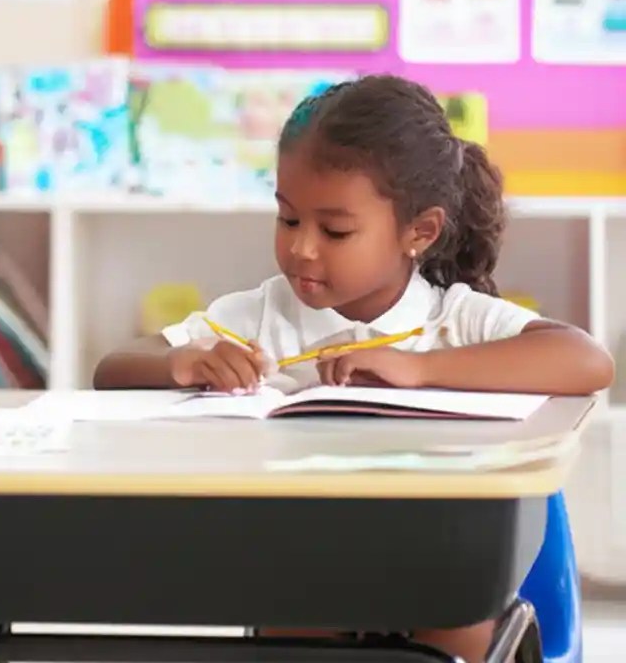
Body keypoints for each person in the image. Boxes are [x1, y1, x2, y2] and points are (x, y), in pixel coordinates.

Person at [93, 74, 614, 662]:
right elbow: (114, 366)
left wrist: (419, 370)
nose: (302, 249)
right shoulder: (262, 315)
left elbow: (586, 360)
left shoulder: (452, 318)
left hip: (445, 565)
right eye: (288, 220)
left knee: (455, 610)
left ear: (419, 232)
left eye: (335, 230)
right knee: (292, 614)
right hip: (303, 567)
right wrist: (184, 362)